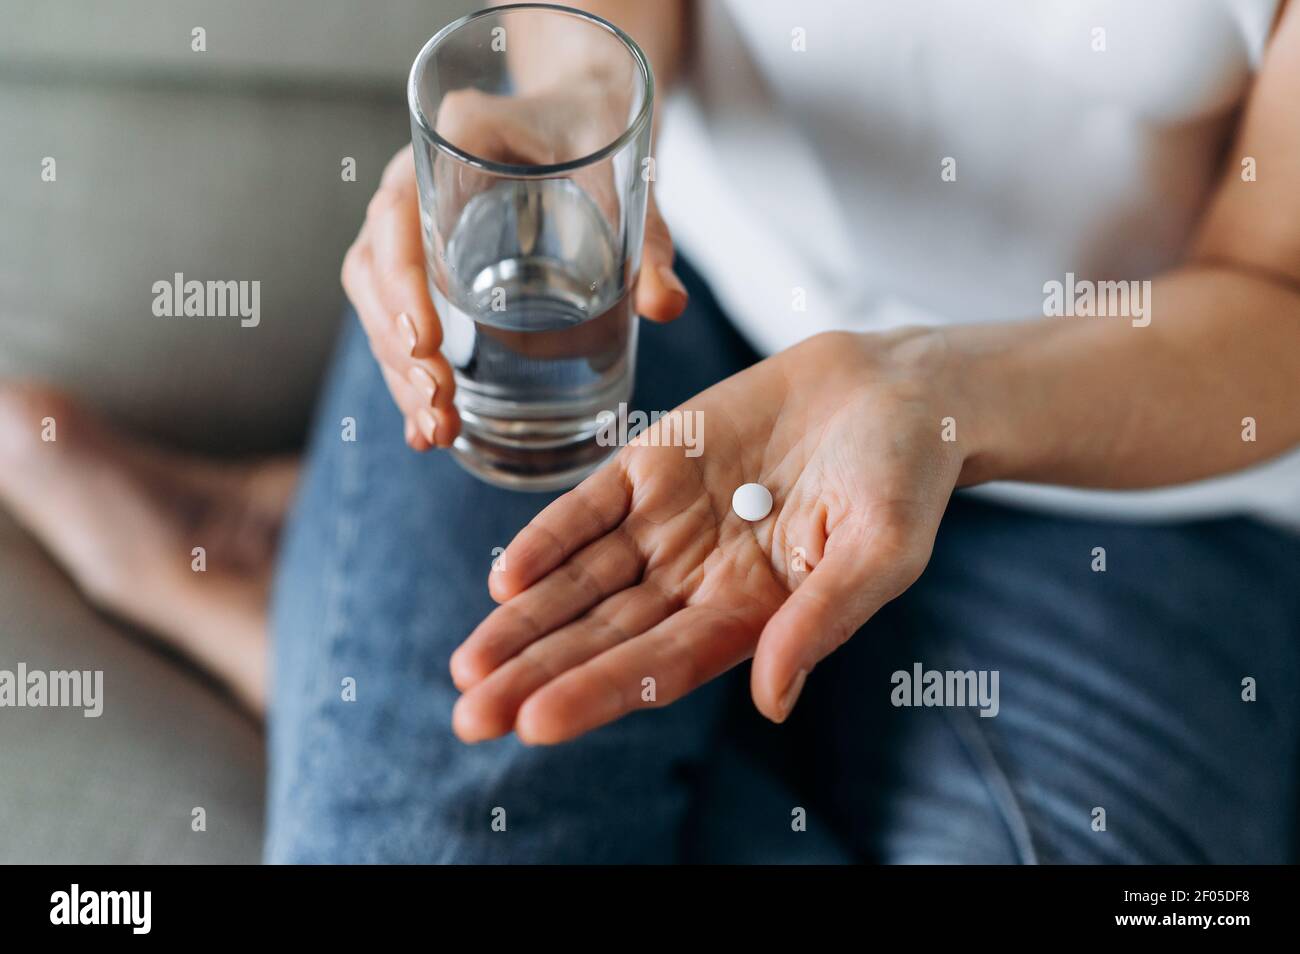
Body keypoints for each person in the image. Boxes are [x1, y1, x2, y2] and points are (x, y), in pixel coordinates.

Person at [2, 0, 1298, 862]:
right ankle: (329, 607)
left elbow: (1279, 296)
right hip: (659, 300)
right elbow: (599, 32)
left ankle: (312, 620)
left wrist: (928, 391)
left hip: (1140, 459)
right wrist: (572, 120)